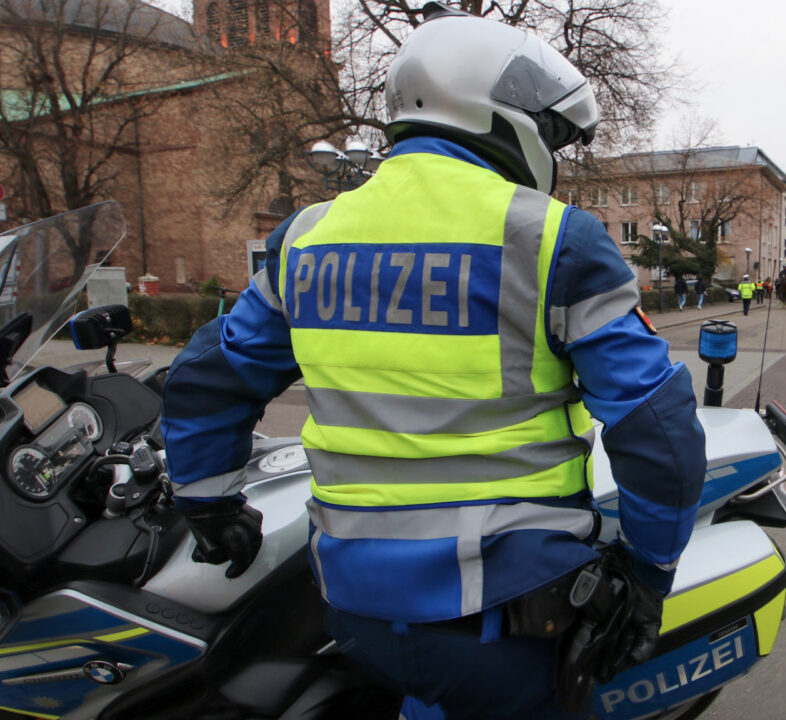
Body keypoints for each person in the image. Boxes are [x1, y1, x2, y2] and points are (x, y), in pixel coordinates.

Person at [159, 7, 705, 719]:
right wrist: (649, 574)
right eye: (551, 133)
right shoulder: (551, 240)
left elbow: (210, 379)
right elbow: (657, 430)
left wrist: (208, 505)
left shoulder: (307, 238)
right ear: (501, 117)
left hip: (351, 607)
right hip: (506, 614)